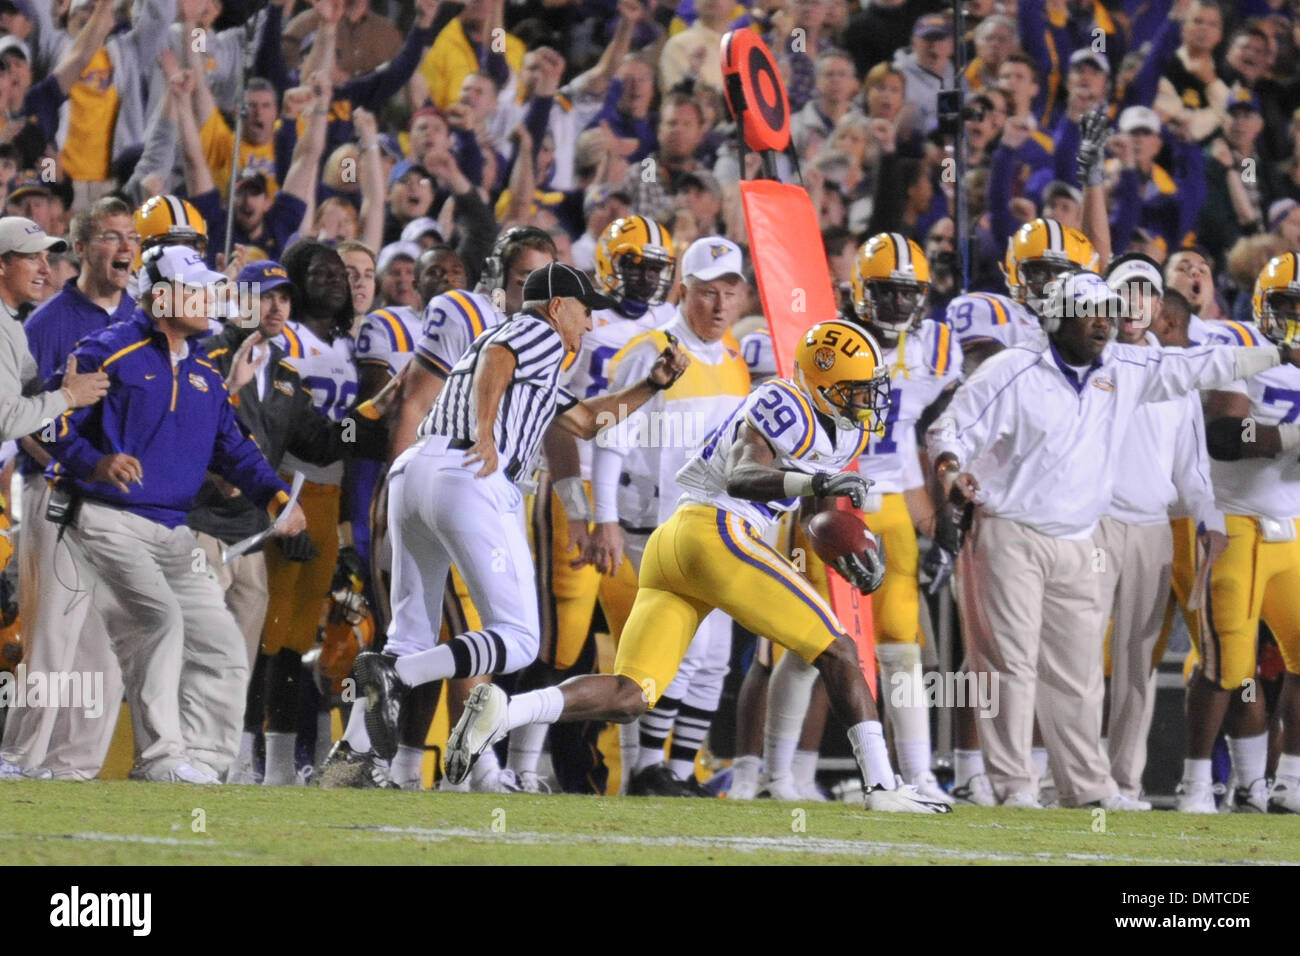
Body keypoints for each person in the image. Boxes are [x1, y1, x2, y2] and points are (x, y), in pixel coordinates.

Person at [446, 318, 953, 813]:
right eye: (859, 389)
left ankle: (502, 712)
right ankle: (883, 786)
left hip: (679, 545)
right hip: (717, 531)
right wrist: (817, 484)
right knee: (839, 650)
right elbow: (741, 473)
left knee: (630, 694)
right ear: (823, 384)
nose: (869, 400)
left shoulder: (844, 433)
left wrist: (846, 552)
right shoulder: (785, 402)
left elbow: (816, 520)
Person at [927, 268, 1300, 809]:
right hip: (1008, 530)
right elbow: (950, 428)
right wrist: (949, 472)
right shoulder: (1014, 370)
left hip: (1078, 538)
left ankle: (1086, 787)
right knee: (1009, 664)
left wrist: (1273, 356)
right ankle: (1013, 787)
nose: (1101, 325)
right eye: (1089, 315)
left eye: (1106, 313)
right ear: (1057, 318)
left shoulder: (1124, 368)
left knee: (1079, 674)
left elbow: (1198, 364)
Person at [352, 263, 690, 769]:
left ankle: (356, 754)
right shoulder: (536, 334)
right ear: (556, 307)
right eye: (583, 311)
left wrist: (651, 385)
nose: (590, 324)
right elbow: (498, 358)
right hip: (467, 474)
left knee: (408, 637)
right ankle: (400, 677)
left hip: (415, 475)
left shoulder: (528, 357)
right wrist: (485, 431)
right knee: (519, 640)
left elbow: (585, 422)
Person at [37, 244, 307, 783]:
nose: (211, 298)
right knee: (159, 620)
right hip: (105, 518)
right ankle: (160, 760)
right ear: (162, 296)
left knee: (223, 642)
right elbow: (50, 423)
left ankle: (202, 763)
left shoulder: (206, 368)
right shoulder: (105, 351)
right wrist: (96, 461)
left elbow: (234, 448)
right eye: (198, 288)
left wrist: (278, 496)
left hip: (173, 529)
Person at [766, 232, 960, 803]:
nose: (900, 304)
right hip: (827, 496)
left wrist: (944, 499)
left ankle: (918, 774)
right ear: (859, 291)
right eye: (886, 291)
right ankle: (778, 775)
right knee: (808, 644)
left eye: (909, 292)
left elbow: (935, 429)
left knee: (902, 645)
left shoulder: (936, 349)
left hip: (893, 501)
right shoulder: (828, 339)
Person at [191, 259, 388, 786]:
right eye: (263, 295)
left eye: (282, 296)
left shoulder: (283, 373)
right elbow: (184, 424)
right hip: (199, 523)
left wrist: (376, 410)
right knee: (195, 647)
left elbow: (322, 441)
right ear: (239, 301)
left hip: (250, 533)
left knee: (242, 655)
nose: (275, 306)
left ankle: (225, 760)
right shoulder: (205, 356)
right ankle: (175, 754)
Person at [581, 235, 749, 797]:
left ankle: (678, 771)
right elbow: (610, 435)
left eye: (730, 292)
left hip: (718, 526)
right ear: (684, 291)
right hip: (657, 524)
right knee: (686, 648)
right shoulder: (652, 349)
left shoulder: (733, 361)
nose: (719, 306)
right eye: (707, 293)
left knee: (714, 658)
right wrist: (602, 517)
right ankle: (648, 768)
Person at [1184, 252, 1300, 815]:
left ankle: (1288, 784)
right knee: (1226, 662)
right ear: (1263, 306)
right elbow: (1223, 433)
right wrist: (1289, 438)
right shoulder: (1240, 345)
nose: (1297, 318)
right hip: (1234, 518)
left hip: (1294, 525)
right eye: (1288, 306)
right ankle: (1198, 783)